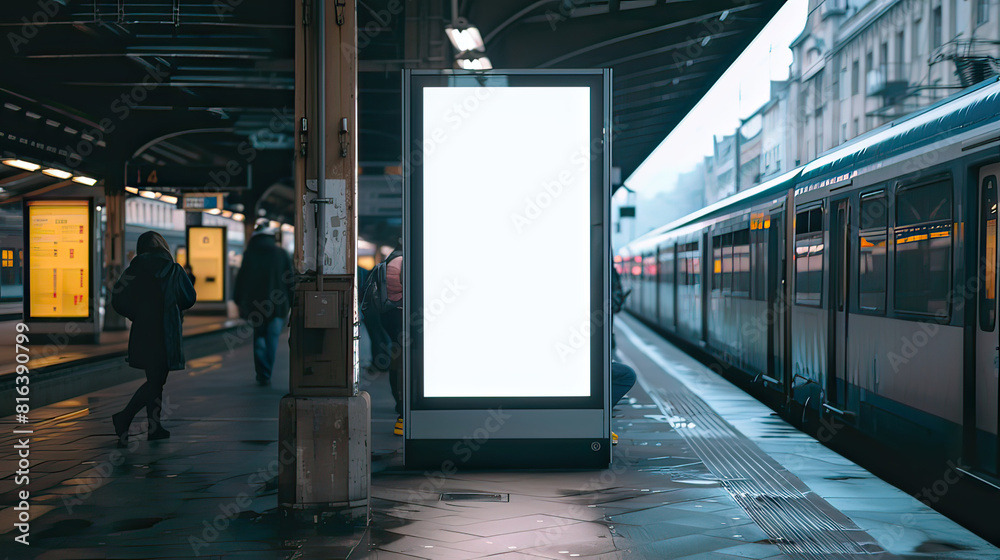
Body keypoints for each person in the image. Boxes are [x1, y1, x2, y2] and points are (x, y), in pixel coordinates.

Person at [111, 231, 196, 447]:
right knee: (157, 379)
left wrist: (136, 313)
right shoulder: (174, 270)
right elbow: (189, 298)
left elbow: (117, 299)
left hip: (144, 330)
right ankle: (125, 417)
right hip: (167, 331)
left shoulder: (134, 270)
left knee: (154, 378)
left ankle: (154, 426)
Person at [234, 222, 296, 387]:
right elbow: (290, 279)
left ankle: (262, 373)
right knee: (272, 338)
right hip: (277, 304)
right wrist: (293, 301)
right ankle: (267, 372)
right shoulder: (280, 253)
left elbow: (241, 278)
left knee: (259, 337)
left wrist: (238, 299)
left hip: (255, 305)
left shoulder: (250, 254)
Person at [361, 244, 404, 435]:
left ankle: (400, 401)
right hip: (401, 315)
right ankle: (403, 407)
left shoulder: (389, 261)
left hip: (387, 315)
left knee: (397, 356)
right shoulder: (404, 262)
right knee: (404, 360)